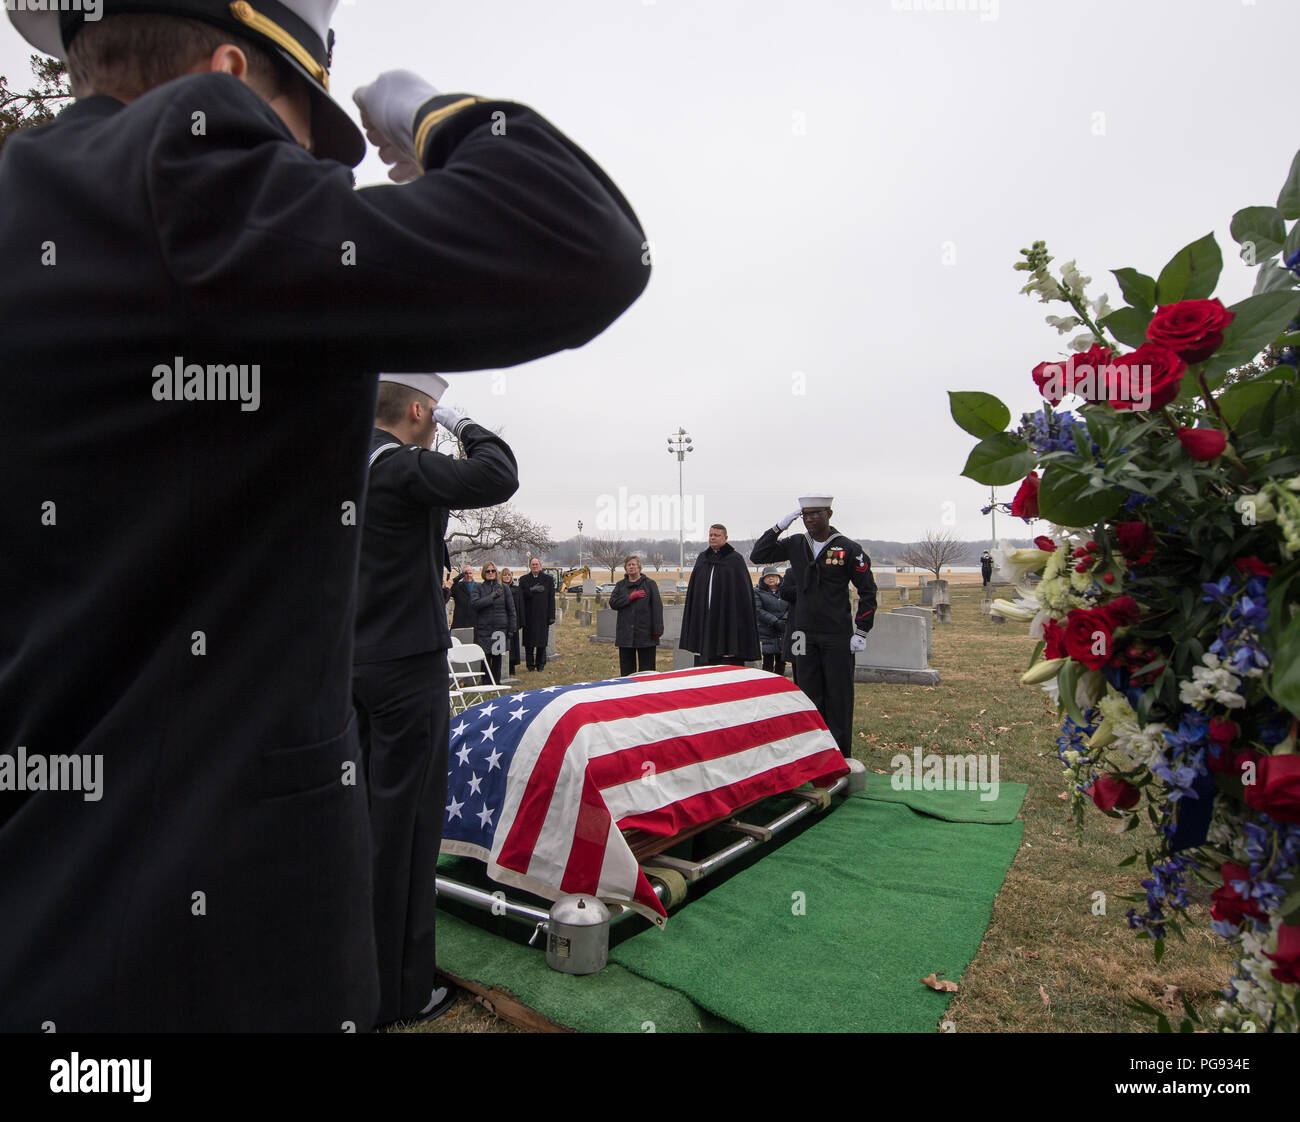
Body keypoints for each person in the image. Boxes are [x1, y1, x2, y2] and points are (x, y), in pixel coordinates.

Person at [0, 0, 647, 1031]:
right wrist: (427, 113)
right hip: (201, 944)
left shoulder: (33, 214)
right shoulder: (176, 179)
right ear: (222, 77)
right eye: (302, 126)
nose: (314, 179)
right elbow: (582, 241)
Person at [354, 374, 516, 1027]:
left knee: (361, 820)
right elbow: (497, 473)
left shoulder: (354, 469)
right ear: (420, 409)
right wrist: (461, 421)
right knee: (409, 827)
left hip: (352, 666)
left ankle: (356, 966)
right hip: (405, 668)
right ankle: (399, 988)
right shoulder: (398, 467)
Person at [751, 495, 877, 756]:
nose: (809, 520)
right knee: (808, 696)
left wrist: (862, 630)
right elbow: (758, 554)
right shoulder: (797, 543)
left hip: (836, 634)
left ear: (829, 514)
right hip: (803, 634)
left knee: (838, 697)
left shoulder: (848, 548)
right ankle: (811, 752)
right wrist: (779, 527)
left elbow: (868, 591)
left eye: (815, 514)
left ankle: (840, 754)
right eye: (805, 515)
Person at [680, 524, 760, 666]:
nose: (712, 538)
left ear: (725, 538)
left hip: (727, 616)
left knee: (727, 655)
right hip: (705, 615)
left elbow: (742, 593)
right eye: (710, 535)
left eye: (716, 535)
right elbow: (695, 589)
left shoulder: (735, 560)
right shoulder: (703, 558)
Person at [609, 555, 664, 675]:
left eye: (633, 564)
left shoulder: (650, 584)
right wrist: (630, 597)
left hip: (646, 634)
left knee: (647, 671)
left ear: (639, 567)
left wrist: (658, 630)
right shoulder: (620, 585)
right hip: (626, 635)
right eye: (628, 565)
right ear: (625, 568)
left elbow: (657, 607)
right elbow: (613, 603)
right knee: (627, 671)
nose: (631, 567)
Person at [470, 562, 517, 685]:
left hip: (500, 628)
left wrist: (512, 628)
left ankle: (496, 682)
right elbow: (475, 605)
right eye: (488, 571)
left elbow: (511, 609)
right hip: (484, 628)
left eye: (493, 571)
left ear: (496, 572)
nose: (490, 573)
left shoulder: (504, 588)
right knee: (485, 657)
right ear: (484, 573)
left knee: (497, 657)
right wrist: (492, 596)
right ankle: (485, 682)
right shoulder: (478, 587)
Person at [518, 557, 556, 671]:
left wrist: (551, 615)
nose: (534, 566)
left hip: (542, 615)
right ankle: (530, 665)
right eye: (533, 564)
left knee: (541, 642)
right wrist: (531, 591)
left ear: (540, 566)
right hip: (529, 615)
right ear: (530, 566)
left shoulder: (548, 579)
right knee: (529, 643)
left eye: (536, 564)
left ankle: (540, 664)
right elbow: (521, 597)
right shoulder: (523, 579)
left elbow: (551, 599)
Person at [753, 566, 789, 677]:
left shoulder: (785, 591)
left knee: (781, 661)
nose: (771, 579)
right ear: (763, 579)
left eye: (773, 576)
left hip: (783, 630)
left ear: (778, 577)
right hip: (766, 631)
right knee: (767, 663)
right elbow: (758, 610)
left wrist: (784, 619)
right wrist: (774, 621)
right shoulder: (757, 592)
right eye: (768, 577)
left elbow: (791, 606)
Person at [500, 567, 524, 677]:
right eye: (504, 575)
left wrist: (520, 621)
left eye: (508, 575)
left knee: (513, 645)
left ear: (511, 577)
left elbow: (520, 606)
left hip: (513, 620)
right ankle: (502, 666)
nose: (506, 577)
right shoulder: (498, 589)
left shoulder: (517, 589)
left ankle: (512, 667)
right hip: (501, 620)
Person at [449, 563, 477, 632]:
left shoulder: (478, 587)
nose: (468, 575)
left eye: (470, 573)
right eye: (466, 573)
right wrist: (458, 578)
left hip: (474, 623)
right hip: (459, 623)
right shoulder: (457, 587)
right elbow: (448, 591)